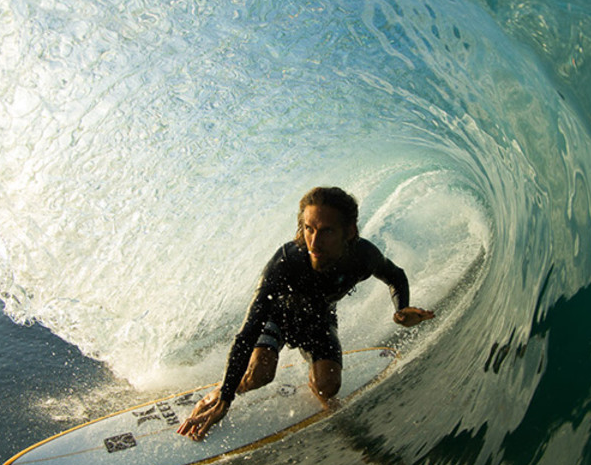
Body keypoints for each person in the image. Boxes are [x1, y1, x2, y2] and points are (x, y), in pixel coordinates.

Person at [177, 186, 435, 441]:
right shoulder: (286, 262)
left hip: (319, 321)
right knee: (260, 374)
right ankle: (217, 393)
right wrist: (225, 399)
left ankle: (315, 386)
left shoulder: (363, 256)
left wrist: (401, 310)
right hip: (278, 318)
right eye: (309, 229)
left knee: (329, 387)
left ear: (349, 232)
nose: (314, 241)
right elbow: (247, 333)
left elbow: (395, 275)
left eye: (326, 231)